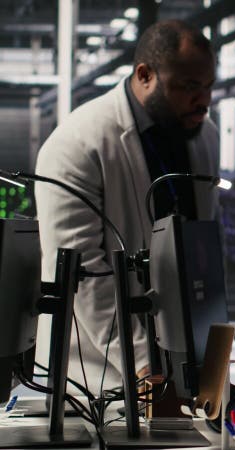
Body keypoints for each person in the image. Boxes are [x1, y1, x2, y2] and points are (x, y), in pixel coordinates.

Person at [35, 20, 219, 394]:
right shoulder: (77, 144)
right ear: (145, 75)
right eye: (189, 87)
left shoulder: (205, 137)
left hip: (180, 361)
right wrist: (143, 362)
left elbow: (197, 252)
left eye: (208, 86)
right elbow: (84, 276)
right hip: (93, 373)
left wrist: (204, 350)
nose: (204, 100)